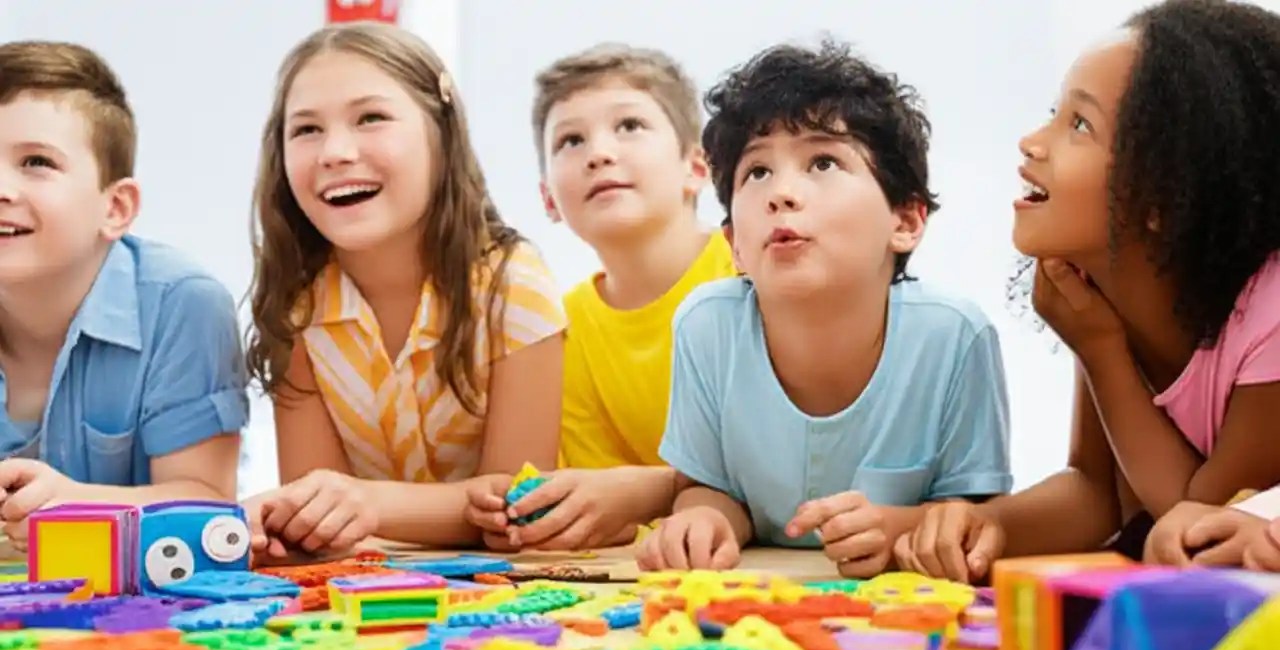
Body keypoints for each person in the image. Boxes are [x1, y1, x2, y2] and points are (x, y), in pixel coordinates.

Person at [895, 0, 1280, 582]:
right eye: (1055, 113)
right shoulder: (1103, 287)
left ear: (1164, 197)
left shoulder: (1269, 315)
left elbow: (1195, 525)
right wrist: (984, 526)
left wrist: (1102, 352)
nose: (1031, 142)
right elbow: (1094, 490)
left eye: (1079, 125)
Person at [635, 40, 1013, 578]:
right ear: (735, 245)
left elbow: (972, 515)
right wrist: (705, 520)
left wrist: (901, 526)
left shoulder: (954, 337)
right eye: (757, 172)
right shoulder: (706, 326)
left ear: (904, 221)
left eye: (823, 161)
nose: (781, 193)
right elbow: (708, 488)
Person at [243, 22, 565, 558]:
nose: (335, 152)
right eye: (306, 130)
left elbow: (515, 507)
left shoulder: (514, 284)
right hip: (374, 589)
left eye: (371, 118)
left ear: (442, 136)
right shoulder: (296, 310)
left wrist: (369, 505)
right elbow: (320, 524)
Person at [464, 44, 737, 553]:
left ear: (697, 166)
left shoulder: (752, 276)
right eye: (570, 140)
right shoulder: (558, 329)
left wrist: (647, 497)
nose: (599, 153)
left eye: (629, 126)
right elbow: (605, 509)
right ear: (548, 199)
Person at [0, 41, 249, 551]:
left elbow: (209, 504)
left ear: (115, 207)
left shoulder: (182, 305)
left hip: (144, 614)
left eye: (36, 162)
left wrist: (75, 505)